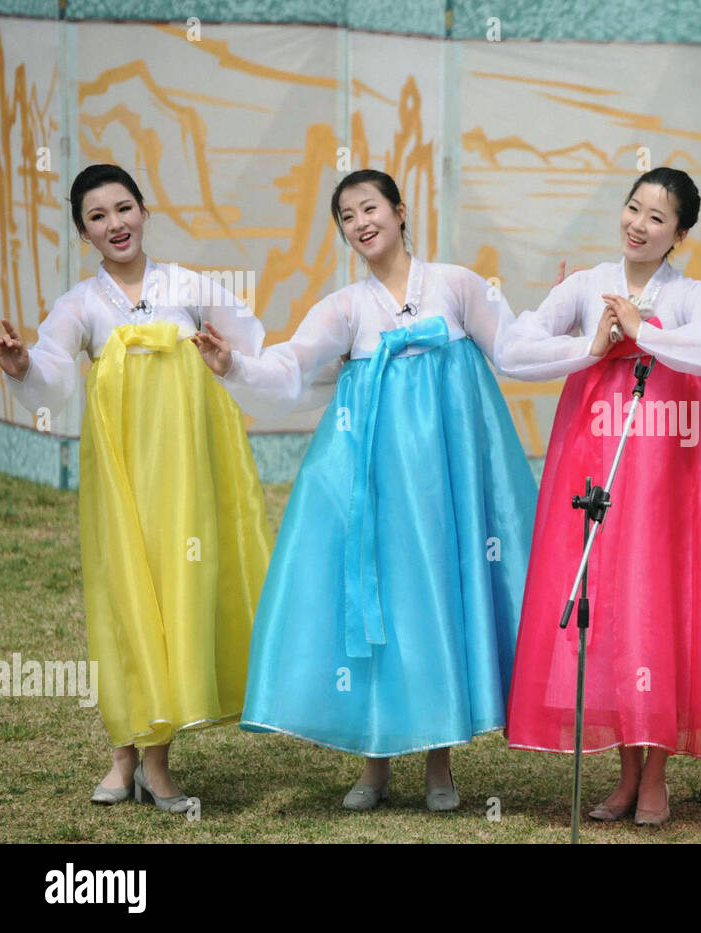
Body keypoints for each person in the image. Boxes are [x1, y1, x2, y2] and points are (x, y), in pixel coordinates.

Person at [193, 169, 537, 811]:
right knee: (374, 600)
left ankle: (441, 763)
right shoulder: (347, 308)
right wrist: (235, 365)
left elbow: (515, 350)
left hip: (447, 483)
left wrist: (568, 335)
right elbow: (293, 364)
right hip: (375, 482)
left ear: (401, 211)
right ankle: (373, 761)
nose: (361, 222)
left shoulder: (458, 287)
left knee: (442, 598)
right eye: (347, 216)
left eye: (370, 207)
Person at [0, 163, 270, 813]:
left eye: (124, 208)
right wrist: (23, 365)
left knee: (172, 598)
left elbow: (250, 344)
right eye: (97, 216)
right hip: (121, 476)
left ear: (145, 211)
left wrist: (237, 359)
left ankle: (149, 759)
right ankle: (131, 754)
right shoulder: (82, 305)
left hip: (183, 479)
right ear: (82, 232)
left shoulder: (190, 287)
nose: (115, 223)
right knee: (126, 601)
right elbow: (55, 372)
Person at [499, 167, 701, 827]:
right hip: (596, 471)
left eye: (657, 218)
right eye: (633, 209)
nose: (638, 225)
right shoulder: (587, 285)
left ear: (680, 234)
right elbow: (515, 348)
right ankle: (623, 768)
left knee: (657, 603)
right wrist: (592, 347)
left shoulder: (691, 295)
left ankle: (656, 772)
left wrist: (645, 333)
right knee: (607, 607)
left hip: (668, 479)